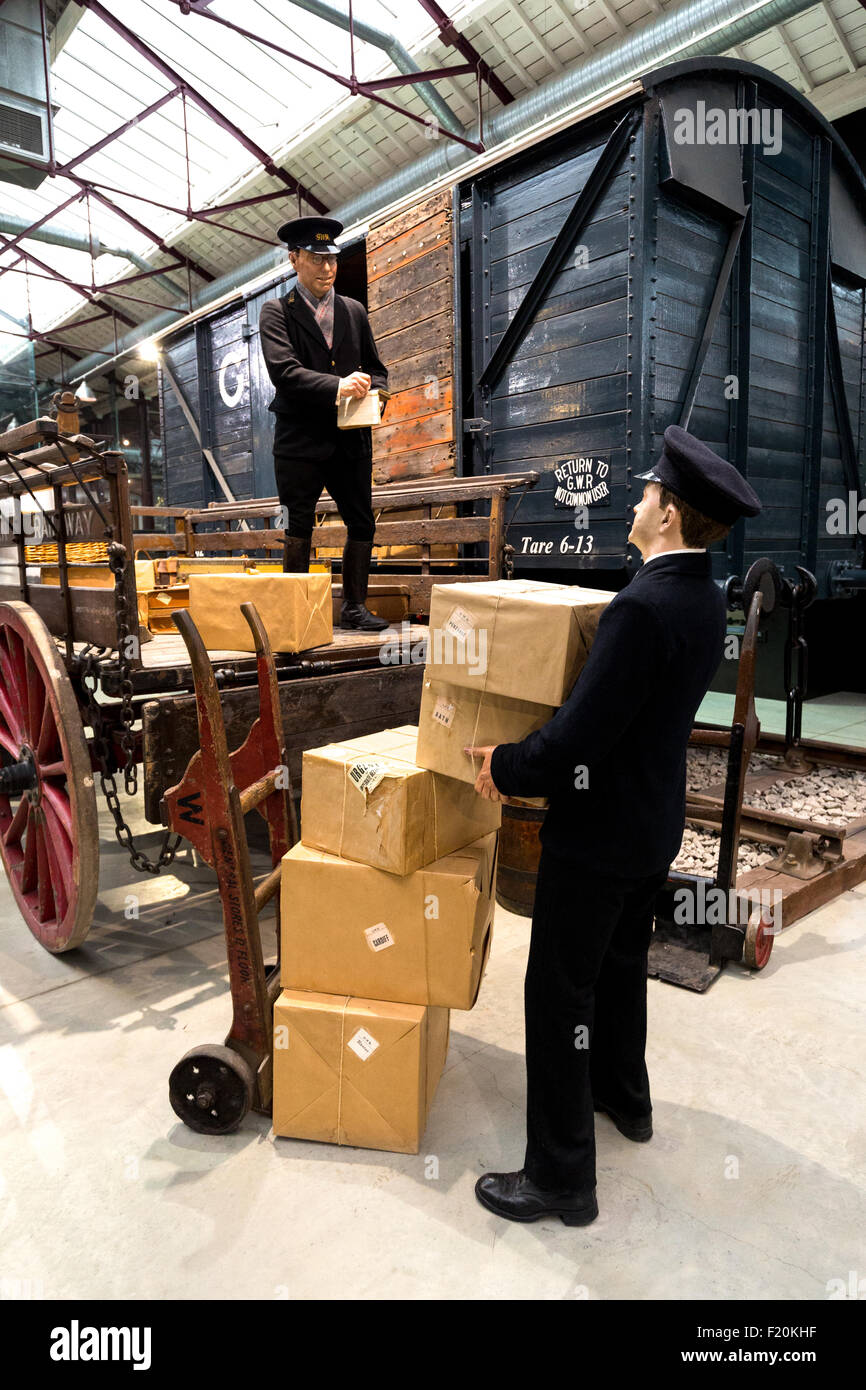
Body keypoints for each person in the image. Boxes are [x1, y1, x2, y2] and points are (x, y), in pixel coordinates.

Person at [466, 424, 762, 1226]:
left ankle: (561, 1181)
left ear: (667, 516)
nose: (635, 501)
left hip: (597, 837)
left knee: (559, 994)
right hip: (650, 825)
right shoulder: (703, 596)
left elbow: (576, 743)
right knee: (621, 966)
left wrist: (504, 765)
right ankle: (625, 1099)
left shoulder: (641, 608)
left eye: (646, 493)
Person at [259, 215, 390, 632]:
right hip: (299, 442)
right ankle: (296, 616)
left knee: (362, 521)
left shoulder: (354, 310)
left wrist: (379, 395)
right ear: (294, 259)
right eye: (316, 258)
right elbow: (285, 372)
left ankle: (354, 608)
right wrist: (339, 385)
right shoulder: (276, 312)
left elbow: (377, 369)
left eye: (331, 258)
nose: (327, 267)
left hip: (352, 441)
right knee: (298, 523)